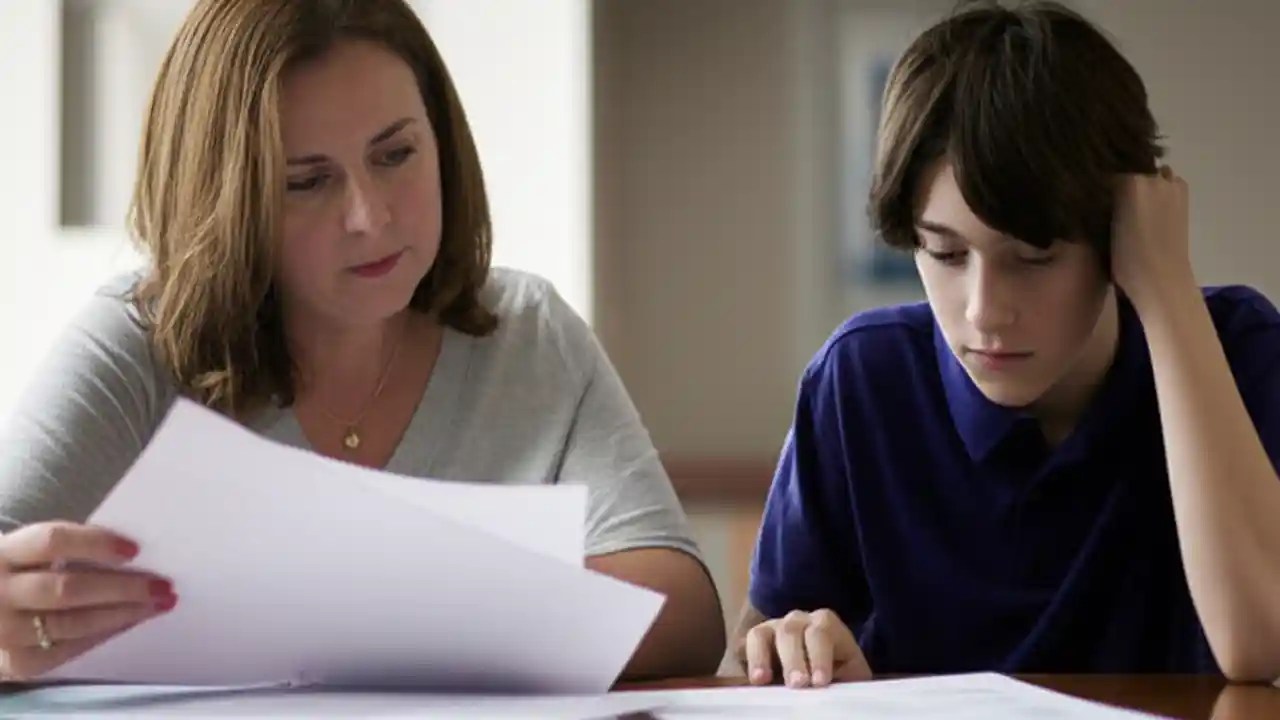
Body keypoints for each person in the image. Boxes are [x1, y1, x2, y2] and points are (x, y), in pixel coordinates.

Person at [0, 0, 723, 682]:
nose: (370, 216)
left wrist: (397, 597)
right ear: (225, 201)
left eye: (396, 154)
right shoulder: (138, 343)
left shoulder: (526, 332)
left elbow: (686, 613)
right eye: (306, 182)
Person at [729, 0, 1280, 687]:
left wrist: (1165, 288)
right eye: (944, 253)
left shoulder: (1233, 348)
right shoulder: (864, 378)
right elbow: (759, 650)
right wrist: (795, 651)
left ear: (1118, 233)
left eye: (1036, 257)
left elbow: (1260, 643)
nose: (984, 312)